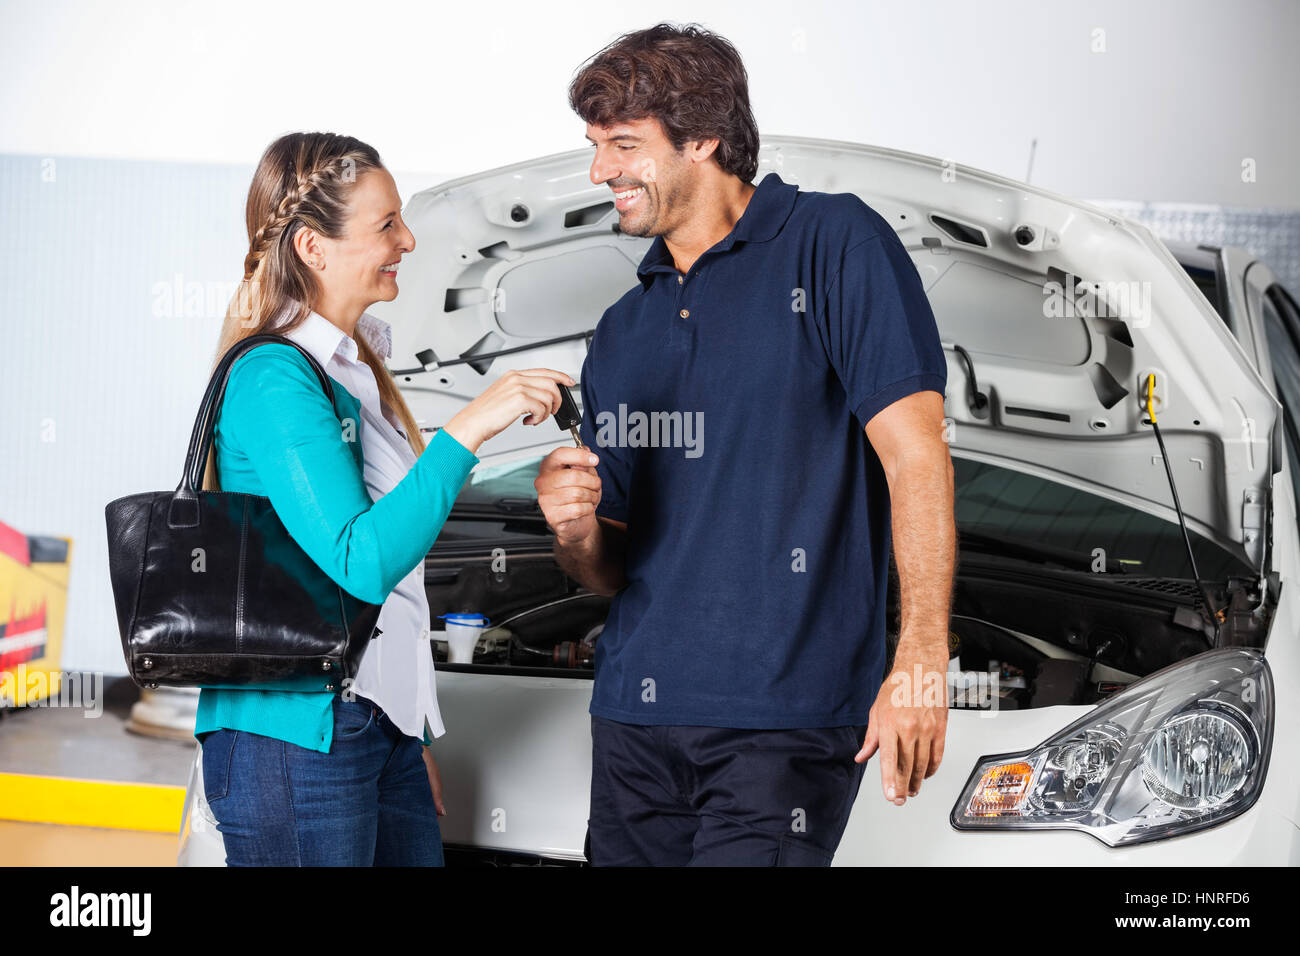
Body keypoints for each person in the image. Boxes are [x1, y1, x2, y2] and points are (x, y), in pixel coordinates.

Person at [534, 24, 956, 866]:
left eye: (624, 145)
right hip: (632, 718)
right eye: (593, 146)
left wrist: (919, 663)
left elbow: (917, 456)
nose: (599, 172)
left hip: (783, 720)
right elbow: (611, 567)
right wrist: (574, 530)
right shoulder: (624, 328)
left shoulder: (833, 244)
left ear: (703, 137)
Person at [194, 131, 572, 866]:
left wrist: (411, 724)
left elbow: (392, 584)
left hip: (373, 729)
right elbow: (360, 560)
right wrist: (465, 431)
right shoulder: (276, 377)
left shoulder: (356, 370)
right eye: (386, 224)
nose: (408, 238)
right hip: (292, 742)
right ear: (313, 246)